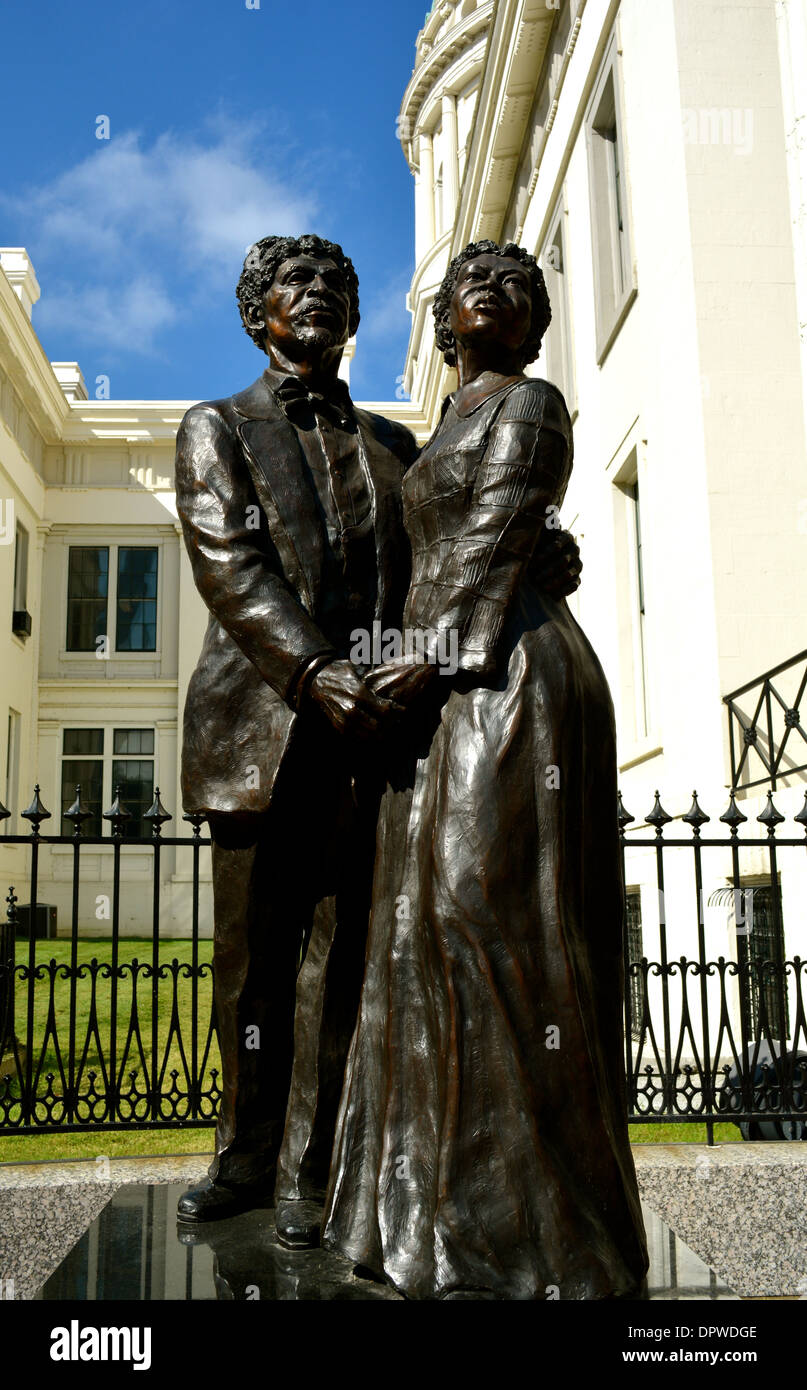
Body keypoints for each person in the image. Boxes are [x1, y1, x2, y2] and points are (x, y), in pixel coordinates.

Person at [321, 240, 649, 1300]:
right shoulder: (438, 430)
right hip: (437, 683)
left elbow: (497, 535)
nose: (498, 294)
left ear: (535, 325)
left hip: (508, 679)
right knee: (415, 931)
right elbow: (433, 557)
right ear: (444, 320)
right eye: (477, 282)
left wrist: (413, 662)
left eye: (519, 287)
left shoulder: (533, 405)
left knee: (484, 911)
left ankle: (540, 1234)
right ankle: (422, 1219)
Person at [173, 234, 416, 1243]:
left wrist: (544, 551)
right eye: (294, 282)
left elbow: (447, 556)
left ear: (354, 316)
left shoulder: (399, 448)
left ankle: (314, 1167)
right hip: (265, 728)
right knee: (253, 966)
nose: (316, 294)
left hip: (374, 736)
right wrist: (316, 674)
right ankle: (245, 1154)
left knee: (342, 958)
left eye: (334, 284)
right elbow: (229, 563)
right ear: (256, 313)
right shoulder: (217, 426)